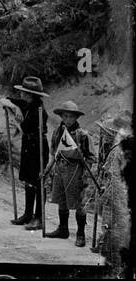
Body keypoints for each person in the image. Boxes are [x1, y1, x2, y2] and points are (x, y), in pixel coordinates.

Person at [44, 100, 95, 246]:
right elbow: (54, 154)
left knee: (79, 202)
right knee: (61, 200)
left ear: (76, 118)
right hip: (60, 169)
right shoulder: (57, 132)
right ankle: (63, 229)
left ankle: (80, 235)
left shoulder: (83, 135)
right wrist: (47, 170)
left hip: (76, 171)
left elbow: (91, 157)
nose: (67, 119)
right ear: (61, 116)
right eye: (65, 116)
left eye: (71, 117)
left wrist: (85, 173)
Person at [0, 76, 48, 228]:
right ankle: (28, 215)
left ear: (30, 95)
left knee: (38, 181)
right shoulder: (26, 105)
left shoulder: (39, 111)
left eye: (23, 93)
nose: (20, 95)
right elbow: (4, 100)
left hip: (38, 146)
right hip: (28, 145)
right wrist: (16, 108)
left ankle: (39, 218)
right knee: (28, 180)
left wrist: (16, 118)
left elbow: (24, 128)